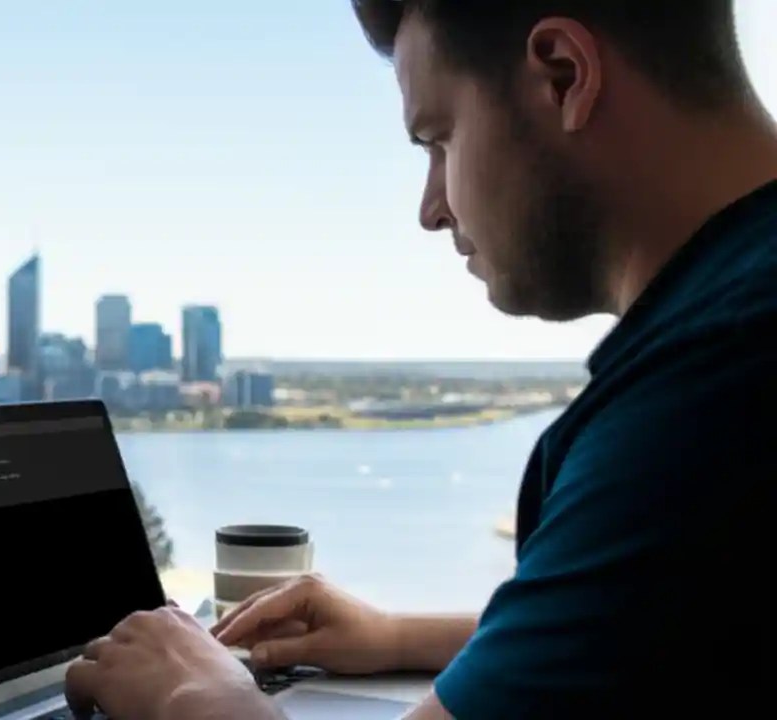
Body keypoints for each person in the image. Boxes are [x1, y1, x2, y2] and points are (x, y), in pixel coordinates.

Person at [63, 0, 777, 718]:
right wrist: (400, 636)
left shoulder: (713, 383)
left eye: (439, 140)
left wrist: (196, 695)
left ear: (563, 76)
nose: (432, 209)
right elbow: (680, 625)